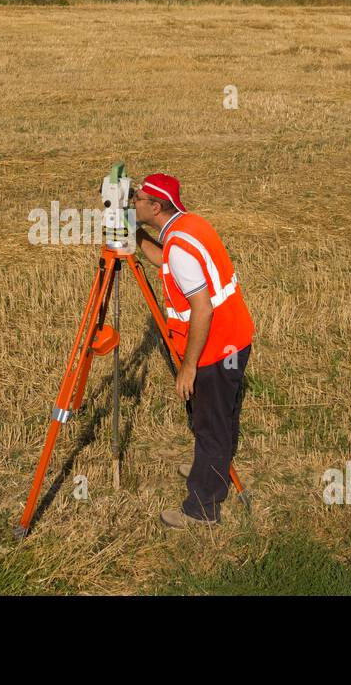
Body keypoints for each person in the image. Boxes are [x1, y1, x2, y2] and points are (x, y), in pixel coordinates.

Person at [131, 173, 254, 528]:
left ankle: (203, 507)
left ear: (155, 207)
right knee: (221, 416)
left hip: (216, 349)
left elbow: (202, 308)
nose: (133, 203)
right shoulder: (188, 225)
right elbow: (163, 258)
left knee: (210, 423)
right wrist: (137, 235)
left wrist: (187, 368)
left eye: (138, 200)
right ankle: (211, 466)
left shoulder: (180, 249)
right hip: (236, 336)